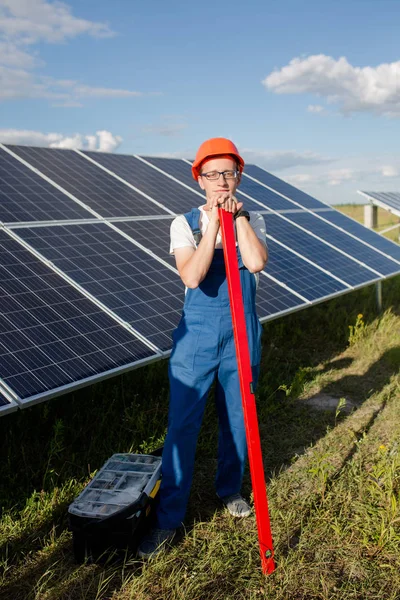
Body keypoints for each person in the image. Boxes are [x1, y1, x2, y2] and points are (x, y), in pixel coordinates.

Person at [138, 138, 268, 558]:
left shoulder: (254, 219)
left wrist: (239, 219)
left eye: (229, 173)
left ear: (239, 176)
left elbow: (256, 263)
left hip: (242, 335)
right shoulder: (184, 224)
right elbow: (192, 276)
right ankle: (169, 517)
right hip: (197, 338)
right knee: (183, 427)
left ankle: (229, 490)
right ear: (199, 180)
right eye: (212, 175)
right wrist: (213, 224)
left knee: (238, 418)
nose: (222, 182)